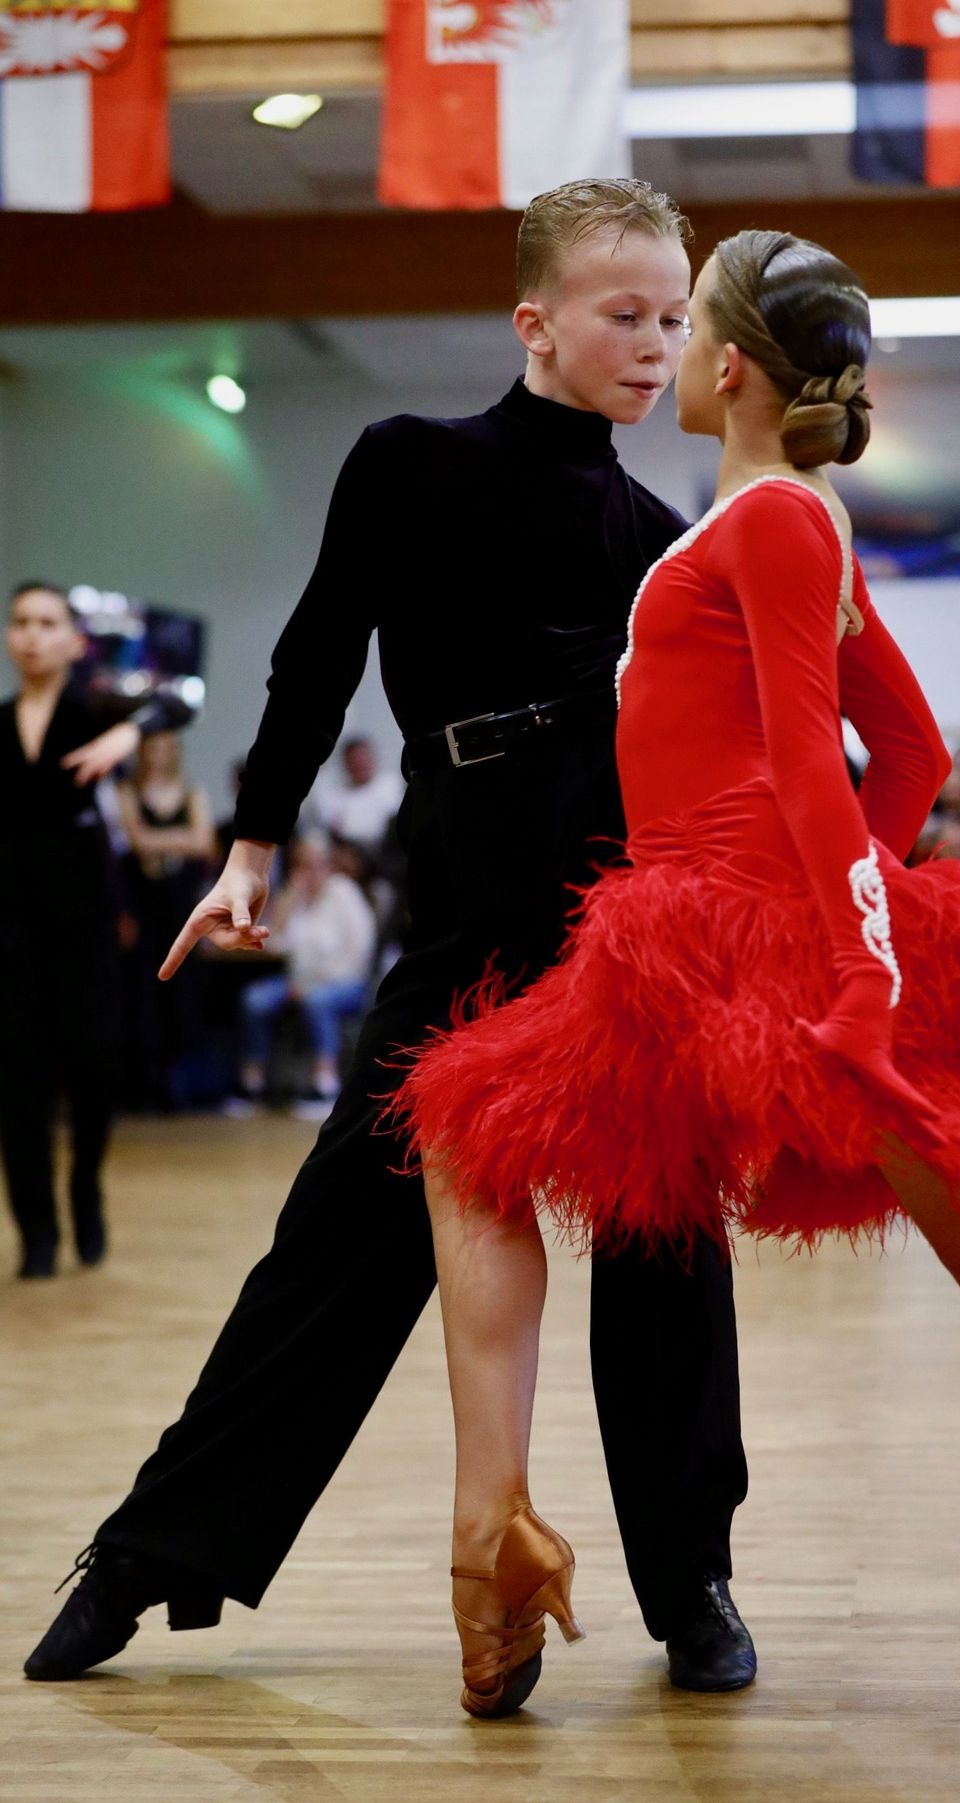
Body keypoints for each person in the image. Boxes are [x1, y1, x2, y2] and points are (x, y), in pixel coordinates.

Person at [398, 231, 960, 1751]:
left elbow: (811, 769)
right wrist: (832, 908)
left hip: (755, 944)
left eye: (685, 319)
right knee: (467, 1130)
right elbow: (915, 751)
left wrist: (850, 961)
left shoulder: (771, 519)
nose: (668, 347)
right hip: (699, 943)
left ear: (728, 365)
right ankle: (489, 1532)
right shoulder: (783, 520)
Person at [25, 179, 755, 1700]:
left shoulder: (661, 538)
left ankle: (693, 1579)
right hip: (469, 910)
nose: (656, 342)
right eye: (626, 313)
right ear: (535, 321)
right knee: (339, 1236)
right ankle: (150, 1552)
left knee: (666, 1240)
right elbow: (314, 655)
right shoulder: (411, 462)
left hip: (627, 918)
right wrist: (251, 847)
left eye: (674, 318)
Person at [0, 582, 192, 1278]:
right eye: (21, 621)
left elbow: (182, 700)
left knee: (94, 1066)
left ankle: (85, 1192)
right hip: (12, 920)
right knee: (18, 1077)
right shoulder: (1, 722)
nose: (31, 634)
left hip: (84, 915)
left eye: (46, 622)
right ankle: (37, 1232)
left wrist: (129, 733)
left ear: (74, 641)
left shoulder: (94, 710)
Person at [238, 831, 376, 1110]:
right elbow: (275, 945)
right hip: (297, 982)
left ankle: (325, 1085)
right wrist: (286, 904)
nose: (308, 872)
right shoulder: (295, 896)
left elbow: (363, 948)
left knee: (317, 1001)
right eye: (301, 865)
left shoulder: (344, 892)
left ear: (328, 865)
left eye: (315, 865)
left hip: (344, 983)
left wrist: (320, 983)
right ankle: (253, 1083)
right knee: (254, 999)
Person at [116, 731, 217, 1112]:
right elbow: (136, 841)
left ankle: (176, 1085)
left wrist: (156, 839)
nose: (158, 755)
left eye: (165, 748)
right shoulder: (128, 791)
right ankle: (143, 1083)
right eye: (152, 748)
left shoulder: (190, 791)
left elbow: (204, 842)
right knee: (142, 994)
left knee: (182, 993)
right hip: (143, 907)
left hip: (180, 906)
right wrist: (181, 837)